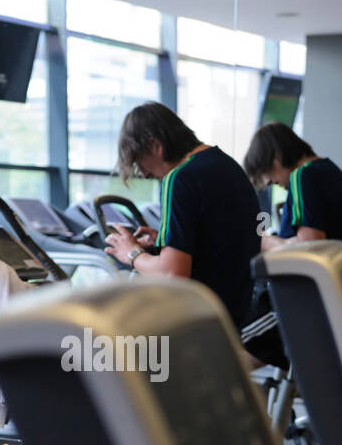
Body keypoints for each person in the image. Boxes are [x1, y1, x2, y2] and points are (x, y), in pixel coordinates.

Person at [103, 102, 285, 366]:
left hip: (206, 317)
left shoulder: (179, 178)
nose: (143, 172)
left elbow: (171, 274)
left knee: (106, 340)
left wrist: (131, 254)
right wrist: (167, 239)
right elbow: (228, 235)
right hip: (241, 306)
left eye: (139, 161)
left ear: (156, 146)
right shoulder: (227, 165)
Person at [243, 122, 342, 250]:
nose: (267, 182)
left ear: (276, 155)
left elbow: (309, 247)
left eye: (263, 171)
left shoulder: (302, 175)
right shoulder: (330, 170)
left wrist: (265, 241)